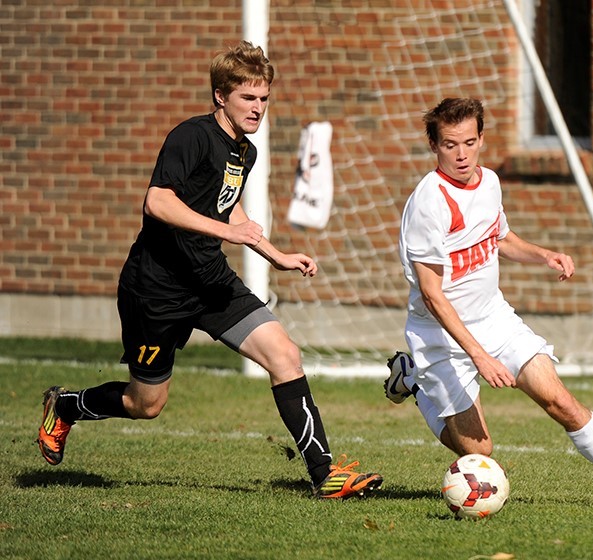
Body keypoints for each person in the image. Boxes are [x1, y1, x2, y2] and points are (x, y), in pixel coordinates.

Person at [35, 41, 382, 499]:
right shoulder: (191, 136)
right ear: (221, 96)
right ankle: (66, 406)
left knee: (285, 355)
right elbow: (158, 201)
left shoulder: (244, 151)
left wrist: (274, 253)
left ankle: (325, 475)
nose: (258, 108)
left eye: (264, 98)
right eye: (248, 98)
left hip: (210, 280)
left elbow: (226, 204)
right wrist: (228, 231)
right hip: (157, 288)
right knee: (146, 403)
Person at [385, 97, 593, 510]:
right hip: (440, 334)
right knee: (479, 450)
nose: (462, 154)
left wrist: (544, 255)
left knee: (561, 401)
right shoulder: (429, 202)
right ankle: (415, 382)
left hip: (494, 319)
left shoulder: (489, 182)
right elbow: (432, 295)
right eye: (450, 145)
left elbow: (500, 238)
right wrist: (480, 355)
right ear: (434, 145)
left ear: (481, 138)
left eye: (469, 142)